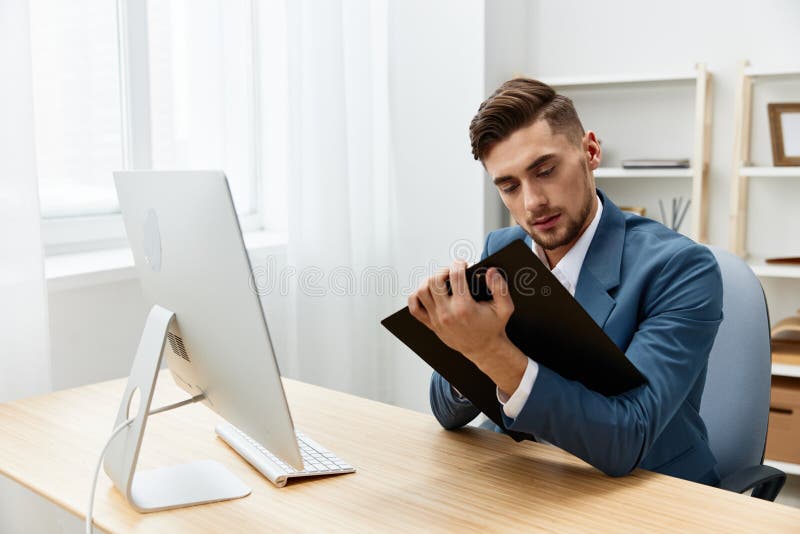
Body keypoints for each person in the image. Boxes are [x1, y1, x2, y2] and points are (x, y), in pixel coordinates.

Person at [409, 78, 723, 485]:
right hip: (531, 478)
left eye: (545, 171)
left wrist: (489, 351)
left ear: (590, 151)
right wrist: (461, 345)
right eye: (509, 186)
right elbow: (446, 411)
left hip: (647, 490)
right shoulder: (503, 249)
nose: (532, 202)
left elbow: (629, 436)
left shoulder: (682, 268)